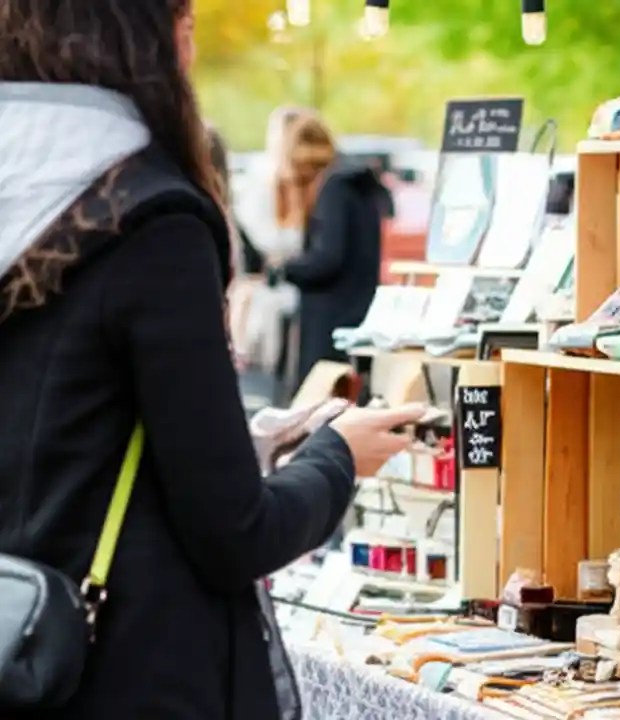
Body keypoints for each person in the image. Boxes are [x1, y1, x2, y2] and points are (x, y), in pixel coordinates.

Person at [0, 2, 422, 718]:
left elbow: (67, 436)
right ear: (141, 38)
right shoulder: (150, 219)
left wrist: (253, 440)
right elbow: (236, 533)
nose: (190, 53)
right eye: (186, 26)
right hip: (137, 673)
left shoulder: (32, 196)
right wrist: (336, 456)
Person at [269, 114, 386, 395]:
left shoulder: (333, 188)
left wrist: (285, 267)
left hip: (329, 320)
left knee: (319, 407)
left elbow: (327, 259)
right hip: (354, 311)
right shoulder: (355, 183)